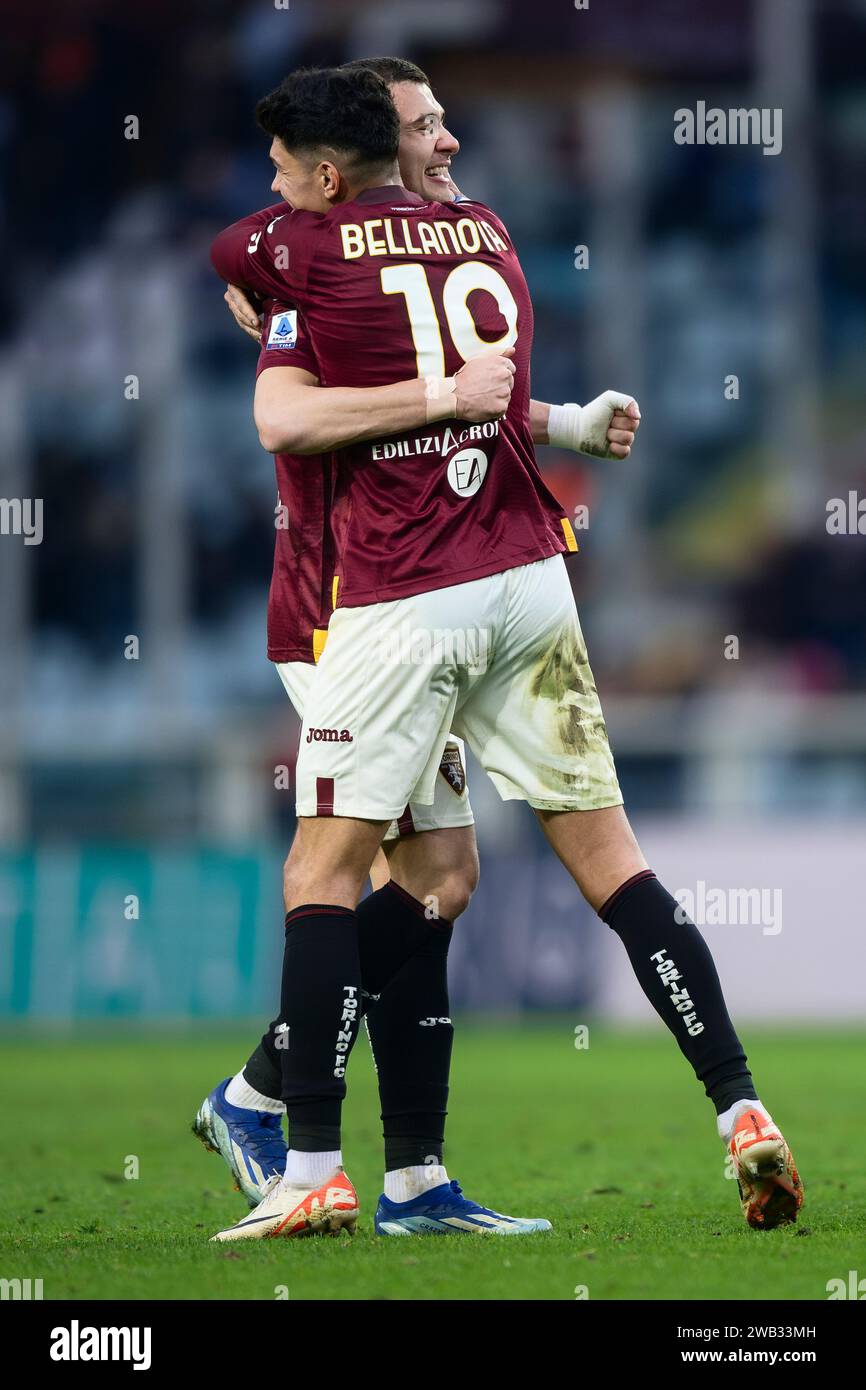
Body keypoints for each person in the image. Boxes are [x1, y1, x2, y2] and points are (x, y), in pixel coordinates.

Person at [209, 64, 801, 1242]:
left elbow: (270, 352)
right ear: (385, 144)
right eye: (426, 124)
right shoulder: (485, 232)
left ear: (323, 175)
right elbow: (466, 381)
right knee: (552, 869)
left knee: (361, 881)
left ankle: (312, 1147)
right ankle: (734, 1103)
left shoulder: (302, 256)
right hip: (517, 583)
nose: (451, 140)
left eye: (283, 171)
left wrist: (285, 276)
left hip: (386, 599)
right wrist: (541, 416)